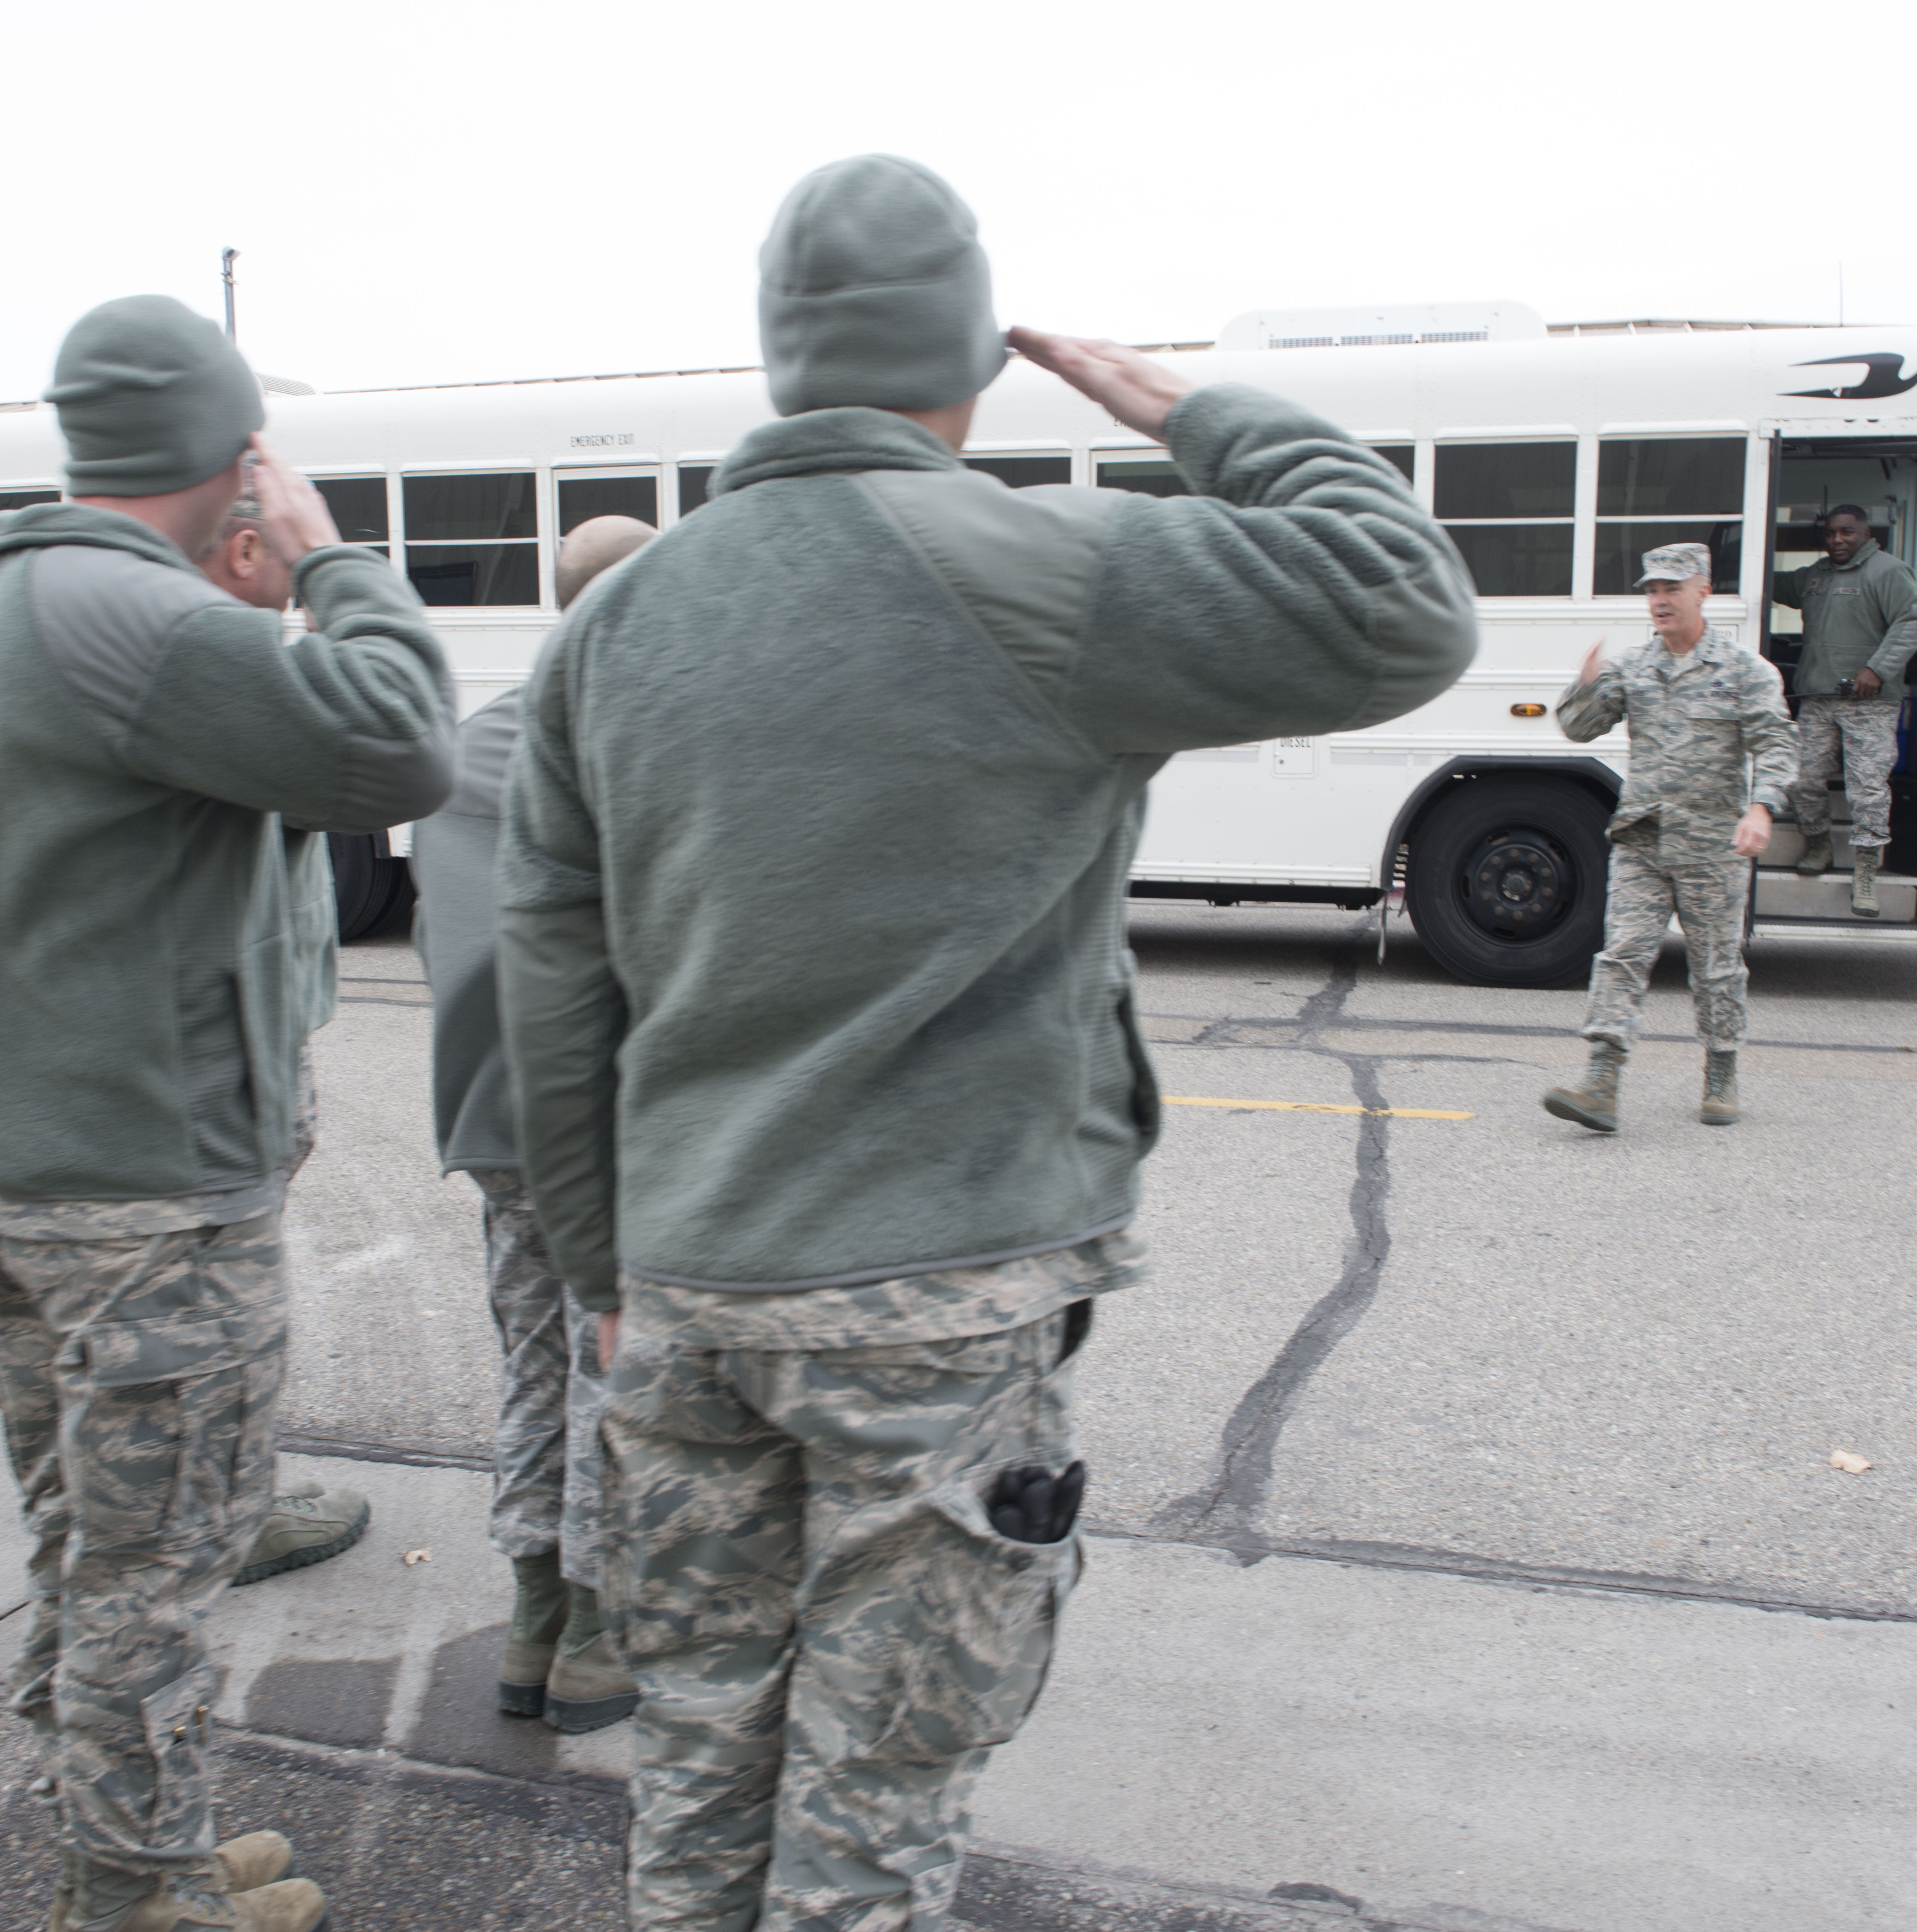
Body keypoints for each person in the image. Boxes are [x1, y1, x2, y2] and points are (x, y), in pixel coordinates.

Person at [496, 154, 1477, 1931]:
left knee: (701, 1774)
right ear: (973, 356)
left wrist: (599, 1267)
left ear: (781, 356)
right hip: (933, 1311)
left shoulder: (616, 625)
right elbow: (1402, 597)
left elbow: (552, 975)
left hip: (685, 1295)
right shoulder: (1045, 566)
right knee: (871, 1817)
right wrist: (1181, 404)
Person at [0, 294, 456, 1932]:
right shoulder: (147, 624)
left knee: (88, 1542)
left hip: (18, 1183)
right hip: (148, 1207)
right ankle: (139, 1894)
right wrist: (332, 557)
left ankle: (132, 1842)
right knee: (159, 1571)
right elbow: (400, 746)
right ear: (229, 453)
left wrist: (18, 1089)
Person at [410, 512, 655, 1737]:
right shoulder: (640, 737)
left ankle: (528, 1620)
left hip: (489, 1118)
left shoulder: (472, 744)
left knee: (528, 1365)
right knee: (611, 1369)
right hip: (606, 1123)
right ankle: (602, 1635)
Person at [192, 491, 375, 1593]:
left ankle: (222, 1492)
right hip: (230, 1060)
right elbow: (379, 740)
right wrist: (333, 575)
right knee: (224, 1294)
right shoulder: (218, 664)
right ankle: (233, 1510)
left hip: (218, 1038)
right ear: (249, 548)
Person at [1544, 542, 1795, 1132]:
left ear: (1703, 591)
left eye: (1671, 589)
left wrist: (1761, 808)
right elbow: (1578, 730)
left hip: (1714, 846)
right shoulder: (1634, 667)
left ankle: (1721, 1072)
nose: (1659, 600)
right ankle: (1601, 1082)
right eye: (1652, 590)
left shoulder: (1745, 671)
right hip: (1643, 839)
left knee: (1715, 968)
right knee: (1622, 956)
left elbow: (1777, 745)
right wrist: (1583, 686)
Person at [1771, 504, 1917, 915]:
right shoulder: (1816, 575)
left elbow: (1911, 622)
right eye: (1830, 533)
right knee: (1802, 777)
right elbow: (1772, 584)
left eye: (1846, 532)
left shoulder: (1887, 571)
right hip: (1817, 699)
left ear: (1865, 533)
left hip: (1869, 704)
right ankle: (1818, 841)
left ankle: (1866, 872)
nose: (1838, 540)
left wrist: (1877, 668)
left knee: (1868, 789)